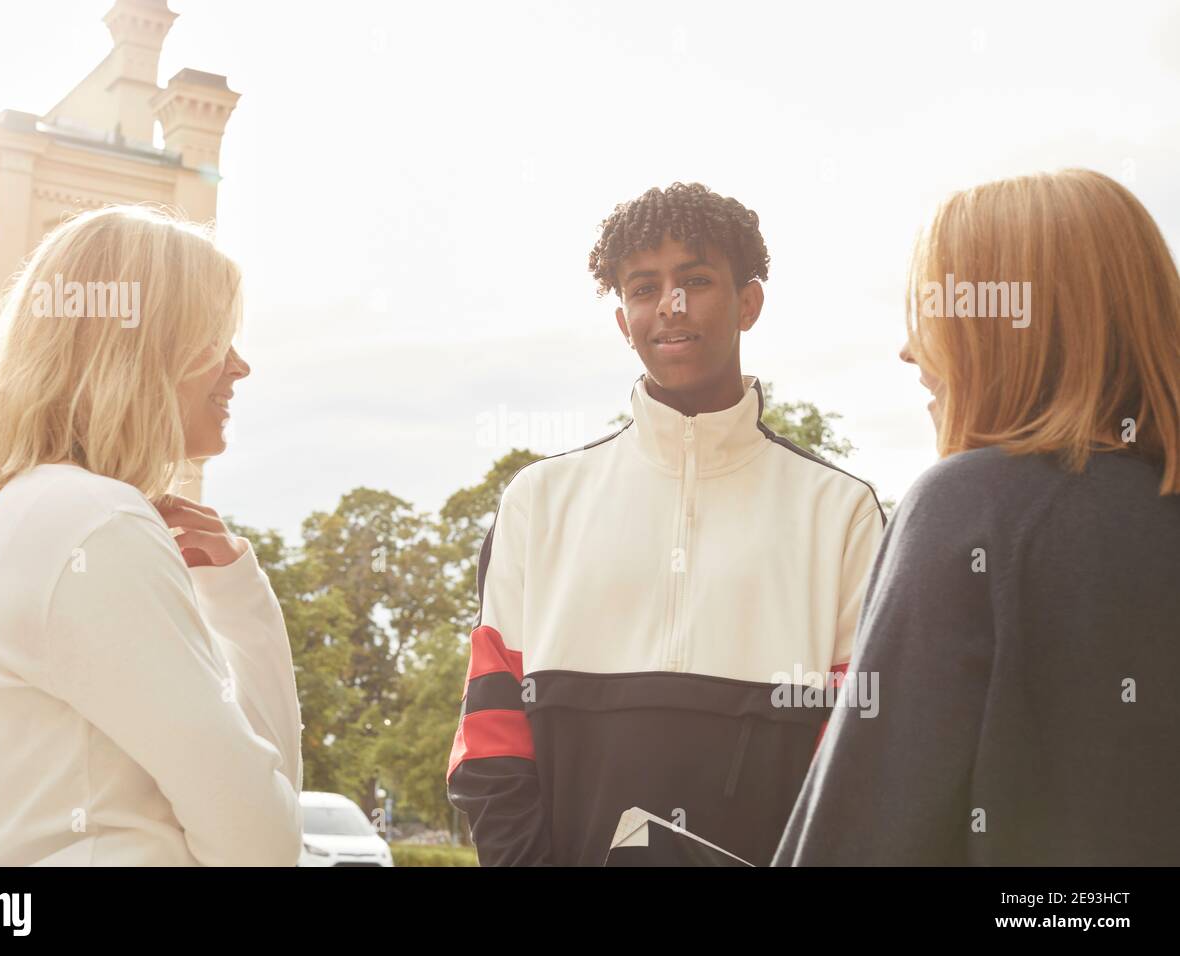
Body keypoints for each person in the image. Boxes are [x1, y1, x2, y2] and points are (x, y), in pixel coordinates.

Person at [446, 182, 885, 866]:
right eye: (644, 287)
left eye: (697, 280)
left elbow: (857, 762)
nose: (670, 306)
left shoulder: (840, 511)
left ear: (749, 303)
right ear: (623, 319)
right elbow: (491, 744)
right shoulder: (537, 502)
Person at [773, 169, 1180, 866]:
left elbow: (861, 839)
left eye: (934, 310)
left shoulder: (971, 510)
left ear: (1015, 327)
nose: (911, 349)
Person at [0, 205, 304, 866]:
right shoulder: (96, 520)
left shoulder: (44, 513)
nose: (240, 367)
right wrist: (245, 609)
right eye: (216, 337)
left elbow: (263, 806)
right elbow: (265, 846)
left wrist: (237, 595)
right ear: (146, 346)